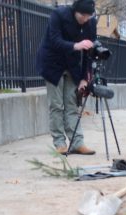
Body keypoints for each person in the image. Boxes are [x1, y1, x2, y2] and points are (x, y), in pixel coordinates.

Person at [36, 0, 98, 155]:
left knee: (71, 105)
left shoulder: (90, 23)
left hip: (72, 66)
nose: (85, 19)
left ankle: (77, 142)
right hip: (52, 62)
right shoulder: (59, 14)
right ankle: (59, 143)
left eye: (88, 16)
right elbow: (54, 40)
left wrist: (85, 77)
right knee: (56, 105)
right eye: (82, 15)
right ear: (75, 10)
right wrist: (75, 46)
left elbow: (89, 53)